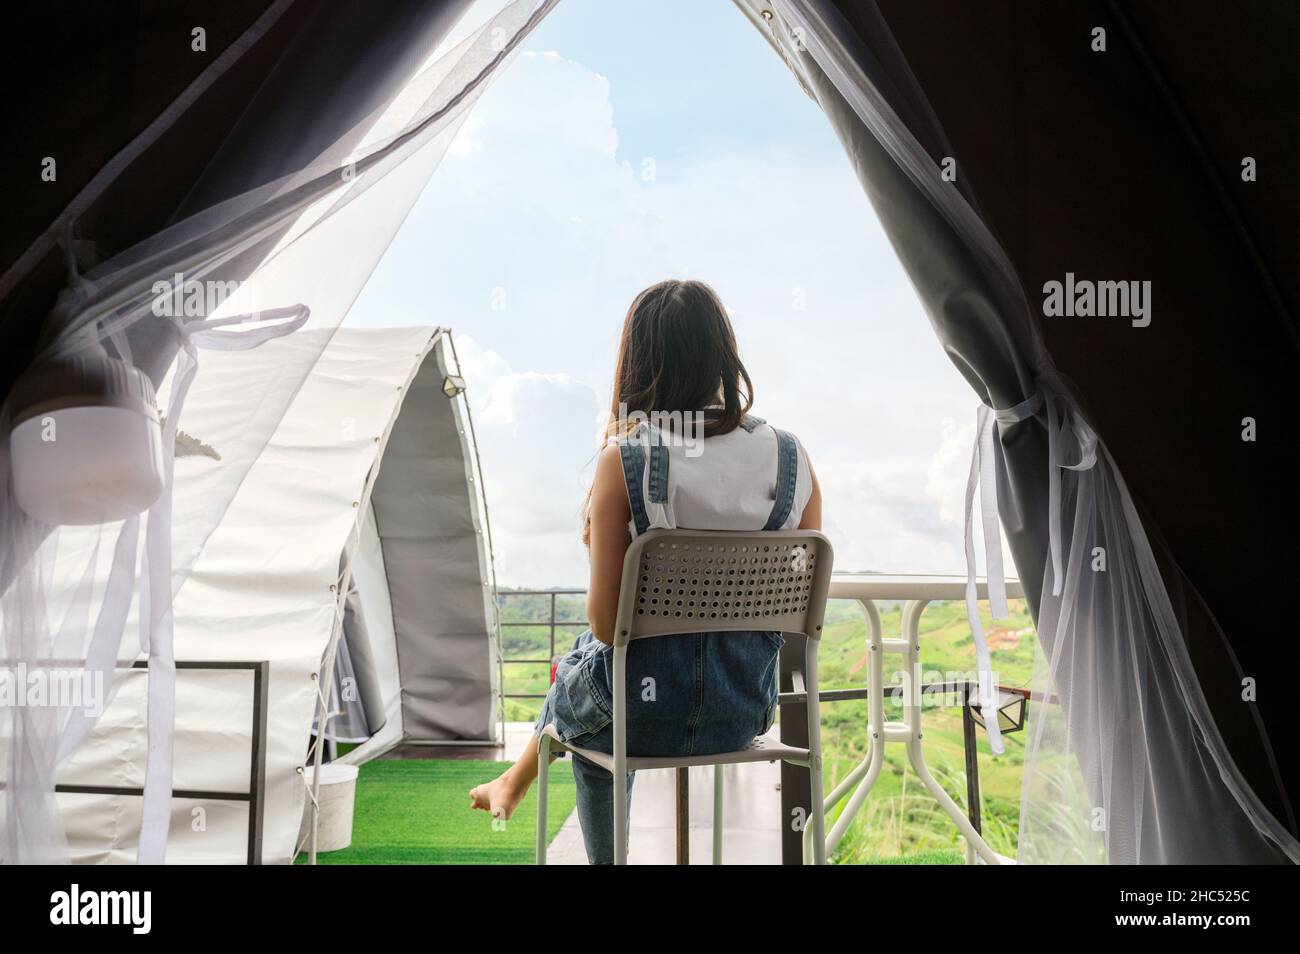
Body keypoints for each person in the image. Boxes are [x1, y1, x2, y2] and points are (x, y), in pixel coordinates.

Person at [470, 279, 821, 863]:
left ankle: (580, 835)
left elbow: (610, 627)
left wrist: (598, 534)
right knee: (590, 667)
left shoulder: (625, 459)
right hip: (740, 715)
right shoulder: (792, 457)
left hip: (638, 720)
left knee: (589, 683)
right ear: (723, 354)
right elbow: (798, 595)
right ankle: (513, 779)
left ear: (638, 361)